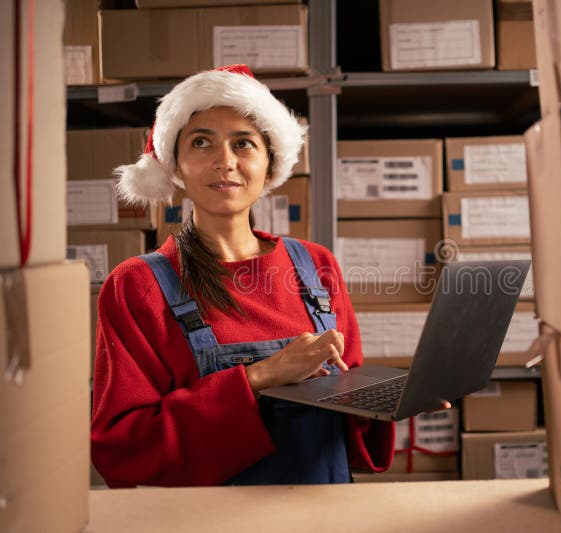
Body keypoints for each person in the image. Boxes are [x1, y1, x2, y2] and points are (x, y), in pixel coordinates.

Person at [90, 64, 396, 487]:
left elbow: (351, 413)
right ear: (174, 165)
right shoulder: (137, 286)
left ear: (270, 165)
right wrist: (260, 377)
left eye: (244, 144)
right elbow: (122, 448)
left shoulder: (316, 265)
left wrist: (394, 400)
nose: (225, 162)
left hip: (323, 514)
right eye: (201, 143)